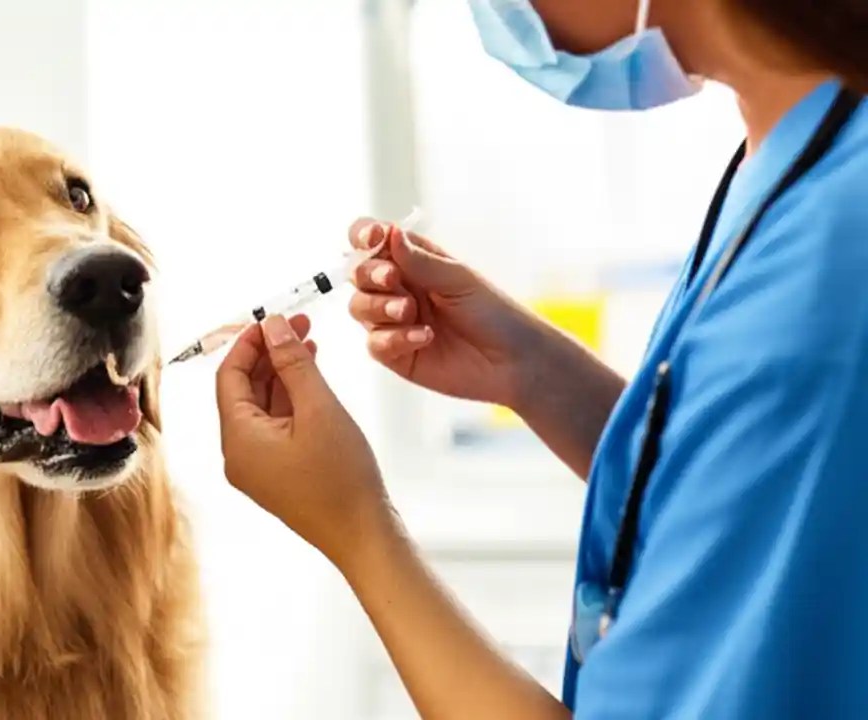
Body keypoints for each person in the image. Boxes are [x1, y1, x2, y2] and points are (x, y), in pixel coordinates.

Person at [214, 0, 868, 717]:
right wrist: (528, 369)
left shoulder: (827, 256)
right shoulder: (794, 152)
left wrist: (358, 529)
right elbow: (735, 477)